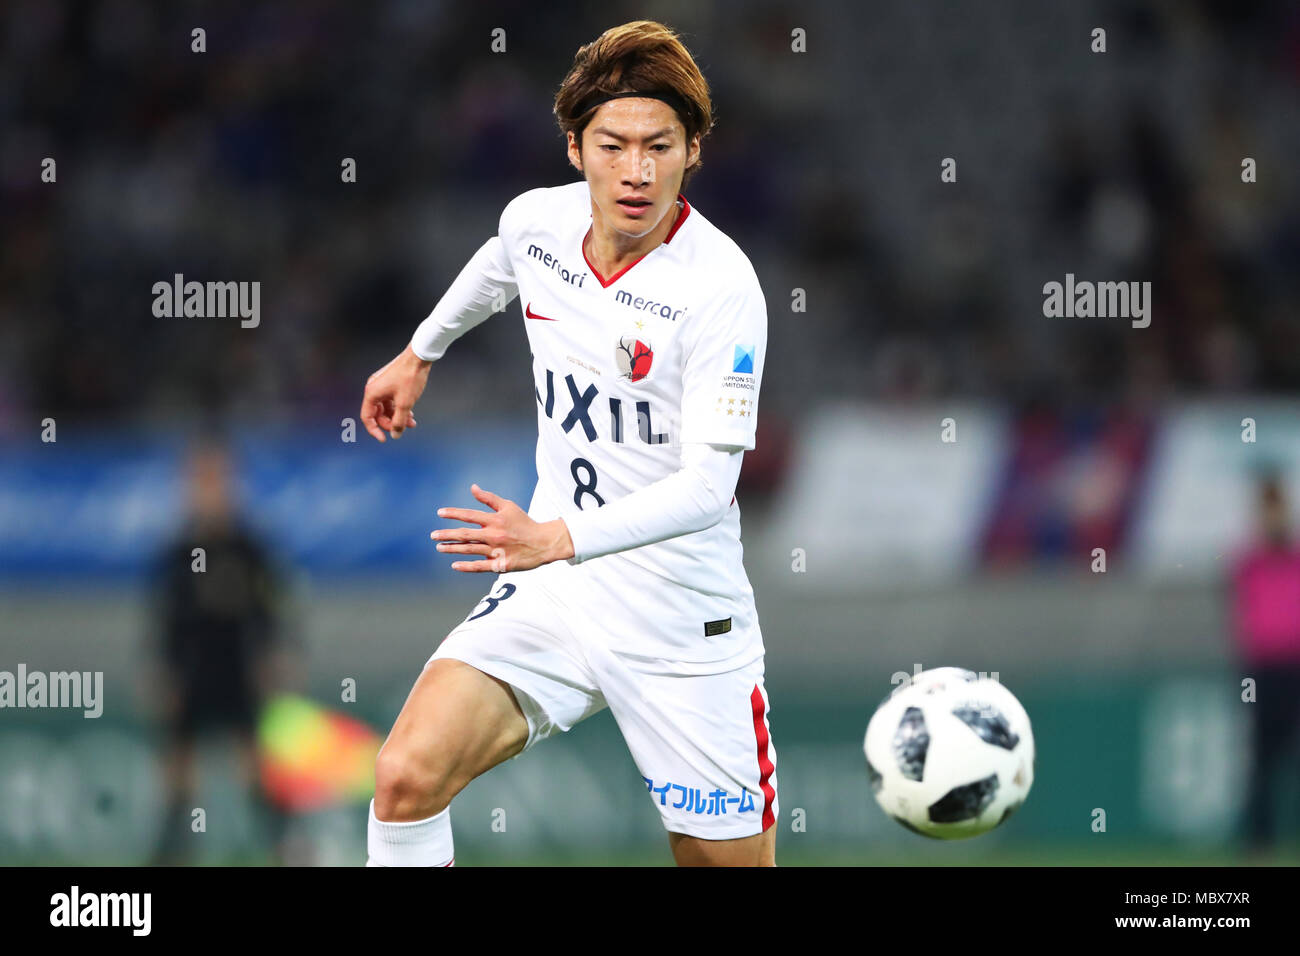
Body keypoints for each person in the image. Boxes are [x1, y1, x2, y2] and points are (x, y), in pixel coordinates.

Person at [359, 20, 777, 866]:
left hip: (679, 618)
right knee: (405, 774)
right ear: (575, 147)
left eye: (659, 145)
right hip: (559, 593)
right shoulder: (538, 223)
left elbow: (709, 490)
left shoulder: (722, 287)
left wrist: (555, 537)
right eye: (612, 144)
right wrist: (419, 352)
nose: (635, 170)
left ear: (693, 150)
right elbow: (501, 263)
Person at [148, 437, 295, 865]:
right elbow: (166, 620)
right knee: (178, 777)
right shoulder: (176, 551)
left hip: (238, 669)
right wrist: (162, 671)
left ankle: (286, 851)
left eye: (217, 479)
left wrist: (276, 659)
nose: (209, 490)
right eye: (201, 480)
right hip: (191, 671)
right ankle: (170, 857)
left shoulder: (249, 549)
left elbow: (271, 610)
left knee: (257, 771)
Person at [1230, 473, 1300, 853]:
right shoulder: (1250, 559)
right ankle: (1260, 846)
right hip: (1263, 671)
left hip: (1295, 668)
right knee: (1261, 762)